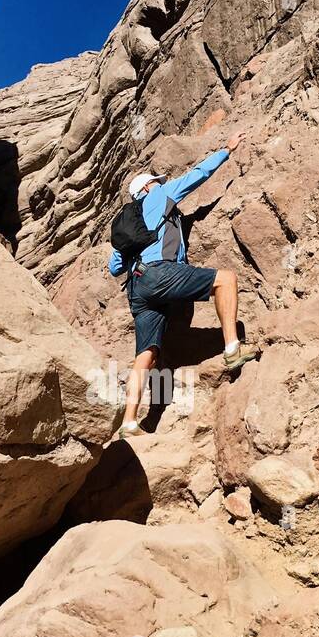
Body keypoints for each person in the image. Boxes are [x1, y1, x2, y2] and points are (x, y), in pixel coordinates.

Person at [110, 132, 260, 439]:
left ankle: (129, 422)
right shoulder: (158, 195)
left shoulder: (129, 222)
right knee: (225, 280)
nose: (161, 184)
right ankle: (232, 348)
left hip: (136, 289)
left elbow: (114, 267)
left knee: (147, 354)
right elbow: (196, 177)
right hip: (159, 274)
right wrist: (225, 150)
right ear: (148, 187)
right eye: (157, 181)